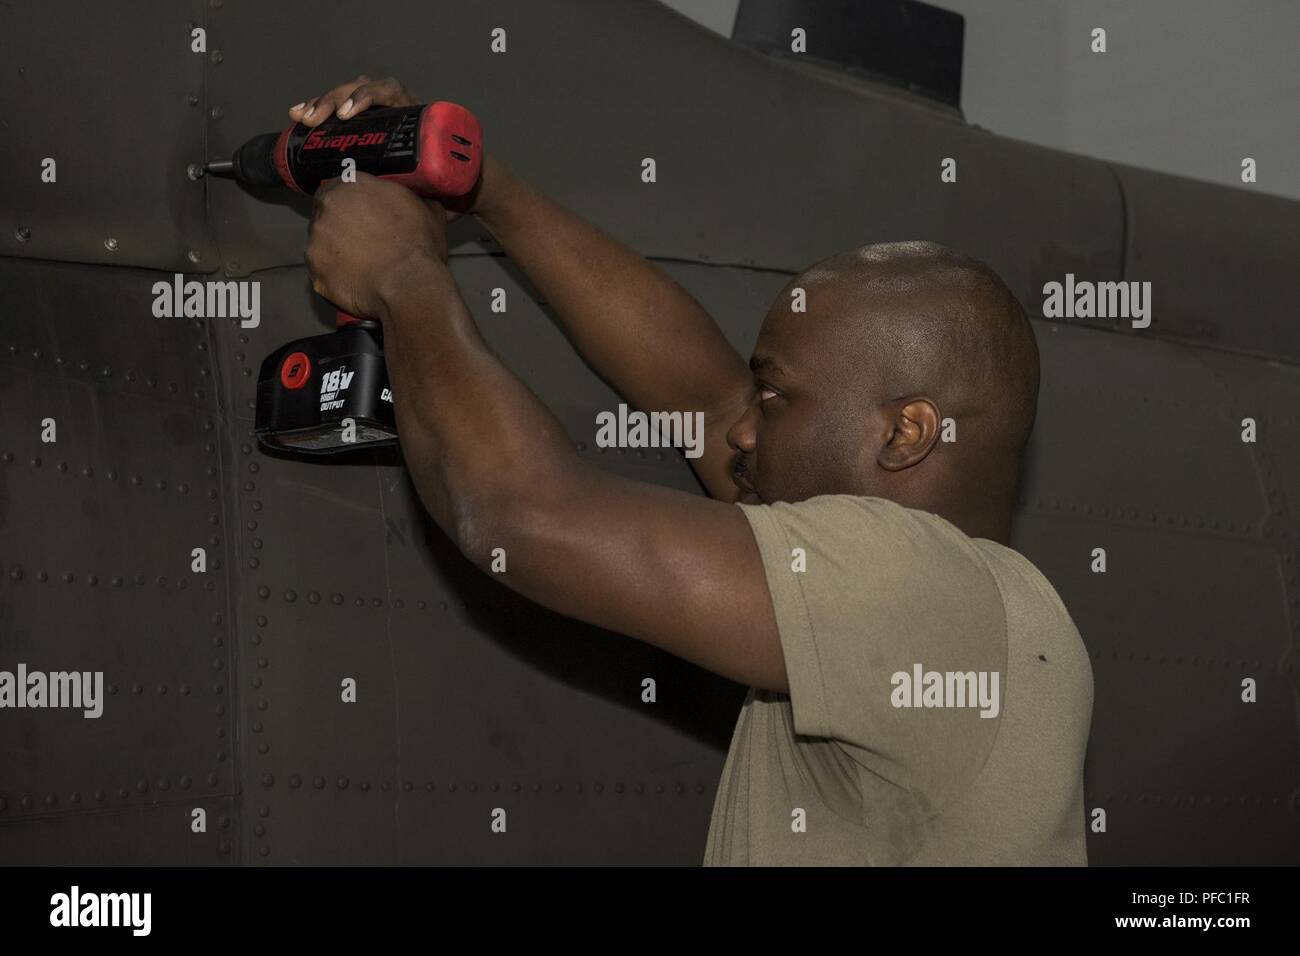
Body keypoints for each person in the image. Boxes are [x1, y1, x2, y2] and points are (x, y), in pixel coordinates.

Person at [295, 75, 1094, 866]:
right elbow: (704, 402)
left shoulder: (915, 586)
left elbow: (521, 515)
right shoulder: (970, 603)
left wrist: (402, 275)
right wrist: (479, 187)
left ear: (905, 434)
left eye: (776, 397)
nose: (744, 429)